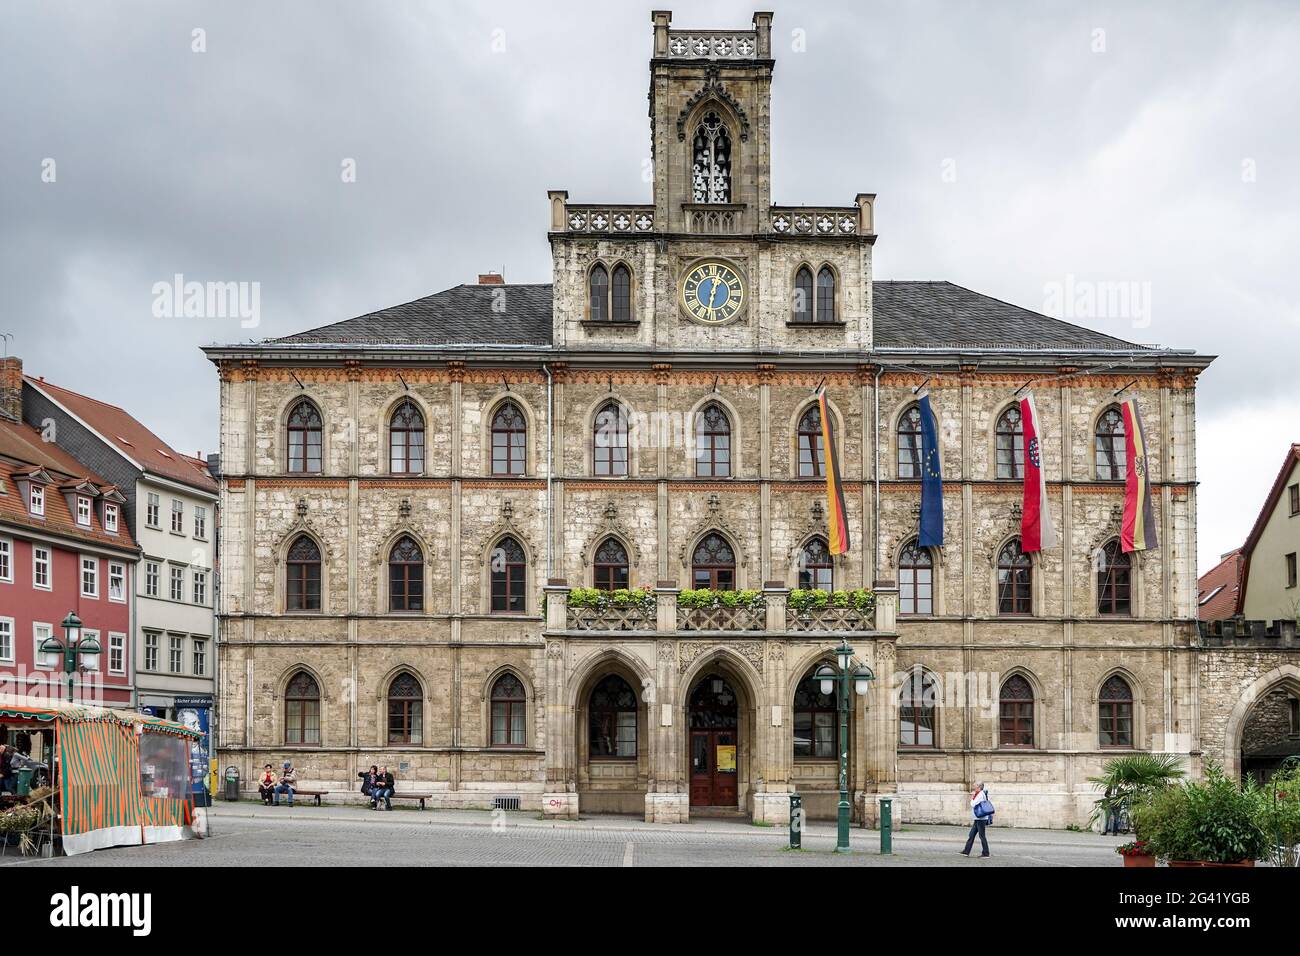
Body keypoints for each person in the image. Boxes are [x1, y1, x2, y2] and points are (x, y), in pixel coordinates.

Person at [960, 781, 993, 857]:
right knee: (971, 835)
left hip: (981, 819)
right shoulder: (978, 794)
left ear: (979, 786)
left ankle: (986, 853)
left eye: (975, 785)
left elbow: (972, 804)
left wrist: (972, 799)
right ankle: (966, 851)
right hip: (978, 818)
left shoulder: (980, 794)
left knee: (982, 836)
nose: (974, 786)